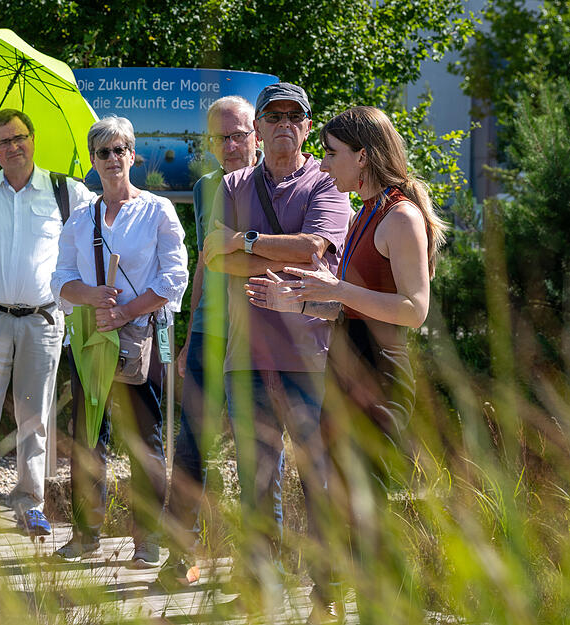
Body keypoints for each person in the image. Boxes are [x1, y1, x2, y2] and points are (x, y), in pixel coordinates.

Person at [245, 105, 446, 624]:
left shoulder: (400, 217)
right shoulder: (365, 211)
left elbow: (414, 310)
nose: (323, 162)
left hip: (381, 375)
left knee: (370, 507)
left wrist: (335, 290)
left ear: (364, 155)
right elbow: (352, 301)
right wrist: (302, 301)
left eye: (332, 153)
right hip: (346, 366)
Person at [201, 82, 352, 593]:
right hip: (245, 354)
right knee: (256, 473)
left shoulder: (325, 183)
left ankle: (326, 582)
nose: (284, 123)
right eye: (274, 116)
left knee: (318, 474)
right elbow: (213, 258)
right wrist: (273, 252)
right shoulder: (233, 184)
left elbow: (314, 248)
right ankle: (264, 575)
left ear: (308, 127)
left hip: (309, 353)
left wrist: (246, 242)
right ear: (258, 128)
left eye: (295, 116)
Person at [0, 109, 94, 536]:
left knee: (35, 417)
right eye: (2, 142)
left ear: (32, 138)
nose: (12, 147)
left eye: (18, 138)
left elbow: (93, 246)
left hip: (42, 320)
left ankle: (29, 504)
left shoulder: (67, 192)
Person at [51, 115, 188, 567]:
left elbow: (175, 276)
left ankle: (148, 540)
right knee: (88, 438)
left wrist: (126, 310)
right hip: (90, 339)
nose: (111, 159)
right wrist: (91, 296)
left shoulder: (157, 210)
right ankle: (86, 534)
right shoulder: (80, 216)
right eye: (102, 152)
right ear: (93, 161)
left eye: (119, 150)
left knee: (144, 442)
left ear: (133, 155)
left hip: (140, 338)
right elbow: (60, 280)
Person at [161, 95, 262, 585]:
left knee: (256, 451)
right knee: (190, 446)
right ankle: (182, 556)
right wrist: (187, 336)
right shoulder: (205, 188)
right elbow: (204, 259)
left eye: (239, 134)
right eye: (221, 137)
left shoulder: (277, 185)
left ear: (256, 134)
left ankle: (258, 568)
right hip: (208, 333)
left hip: (262, 336)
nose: (231, 145)